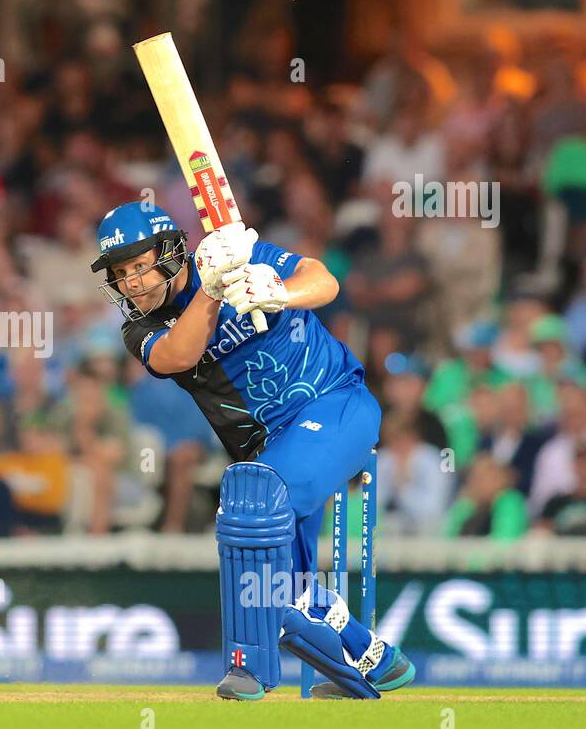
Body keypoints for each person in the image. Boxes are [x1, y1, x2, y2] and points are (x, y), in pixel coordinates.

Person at [90, 201, 415, 701]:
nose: (132, 282)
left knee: (250, 503)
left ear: (171, 253)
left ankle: (249, 671)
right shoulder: (141, 329)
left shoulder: (239, 255)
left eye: (139, 265)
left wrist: (278, 292)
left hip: (336, 404)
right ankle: (374, 661)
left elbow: (324, 281)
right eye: (121, 273)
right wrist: (215, 294)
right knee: (279, 597)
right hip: (272, 456)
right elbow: (180, 353)